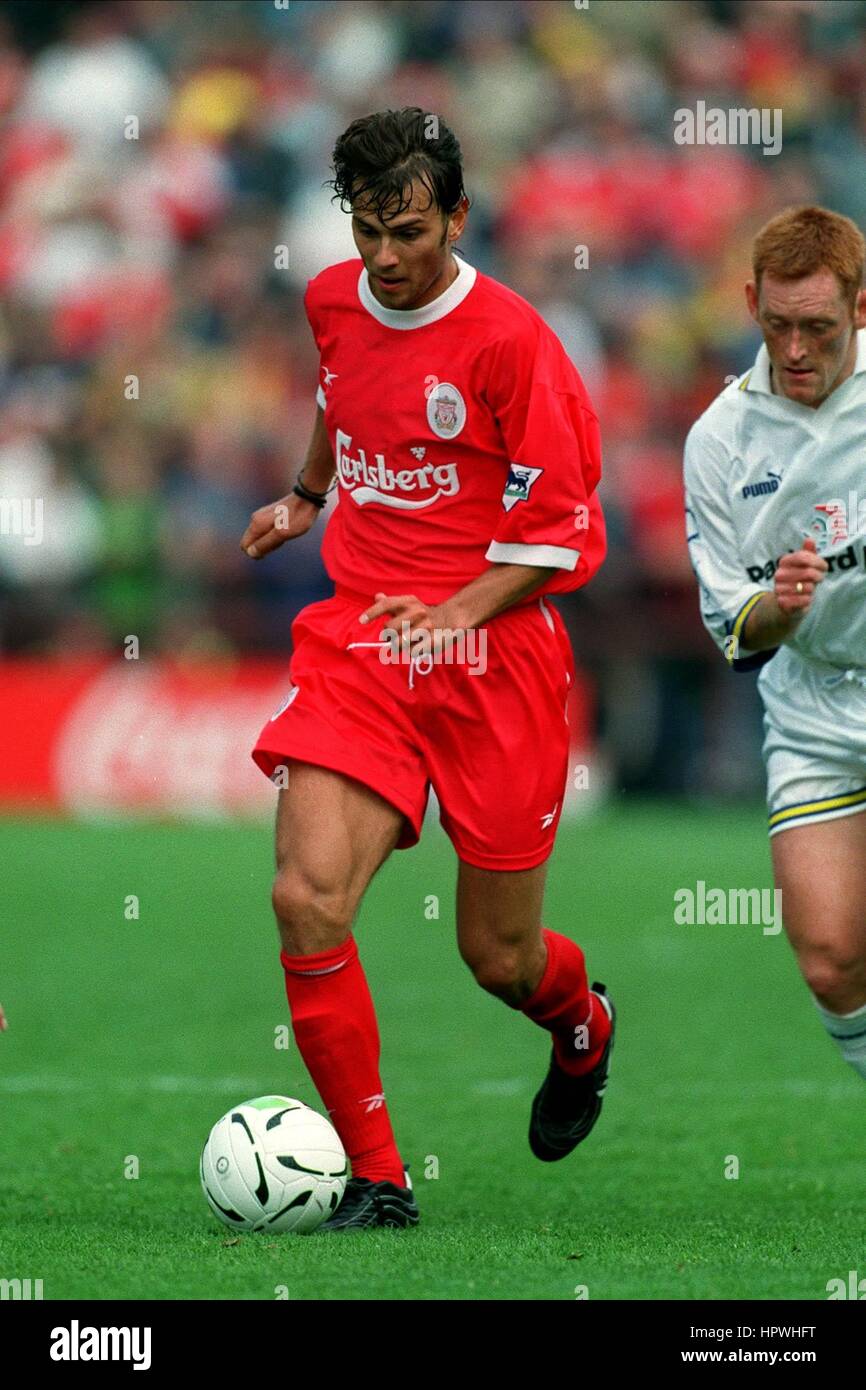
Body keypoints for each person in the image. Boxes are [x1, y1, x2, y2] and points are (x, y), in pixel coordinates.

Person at [241, 108, 613, 1231]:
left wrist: (450, 611)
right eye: (365, 231)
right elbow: (336, 396)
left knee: (496, 957)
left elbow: (556, 534)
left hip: (490, 656)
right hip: (362, 637)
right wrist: (307, 497)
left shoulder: (512, 343)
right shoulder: (331, 302)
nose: (386, 257)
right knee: (306, 898)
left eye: (408, 229)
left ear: (457, 214)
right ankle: (377, 1177)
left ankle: (580, 1022)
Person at [684, 205, 866, 1084]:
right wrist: (781, 612)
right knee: (830, 956)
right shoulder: (719, 441)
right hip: (813, 702)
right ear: (753, 303)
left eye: (819, 328)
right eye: (779, 325)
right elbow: (733, 623)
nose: (796, 349)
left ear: (860, 309)